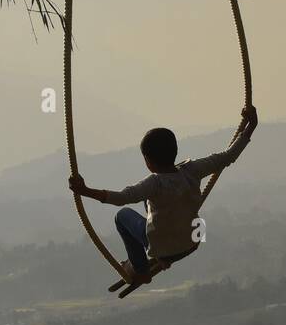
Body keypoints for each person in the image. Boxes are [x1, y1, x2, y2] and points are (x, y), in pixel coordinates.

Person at [69, 107, 258, 285]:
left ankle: (140, 269)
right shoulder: (192, 170)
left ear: (148, 161)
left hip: (166, 246)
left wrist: (85, 191)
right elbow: (227, 156)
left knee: (122, 216)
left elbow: (121, 198)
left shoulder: (154, 183)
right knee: (149, 201)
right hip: (193, 239)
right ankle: (162, 253)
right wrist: (251, 125)